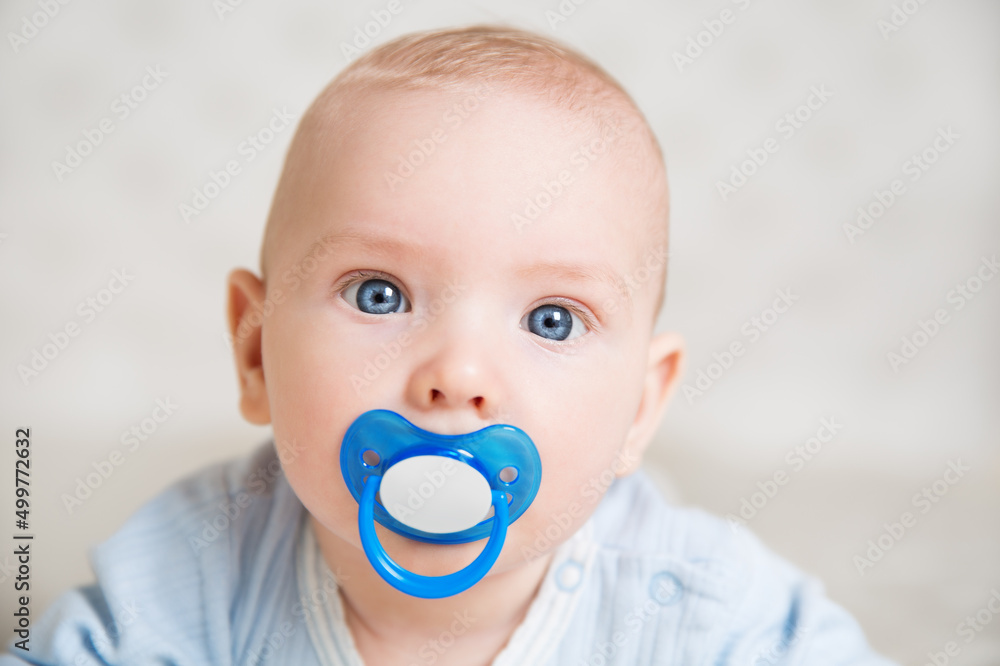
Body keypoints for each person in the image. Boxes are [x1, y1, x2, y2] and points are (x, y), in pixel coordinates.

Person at [3, 25, 896, 665]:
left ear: (641, 407)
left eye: (553, 319)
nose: (458, 376)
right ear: (256, 354)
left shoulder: (702, 608)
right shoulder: (196, 575)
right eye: (380, 294)